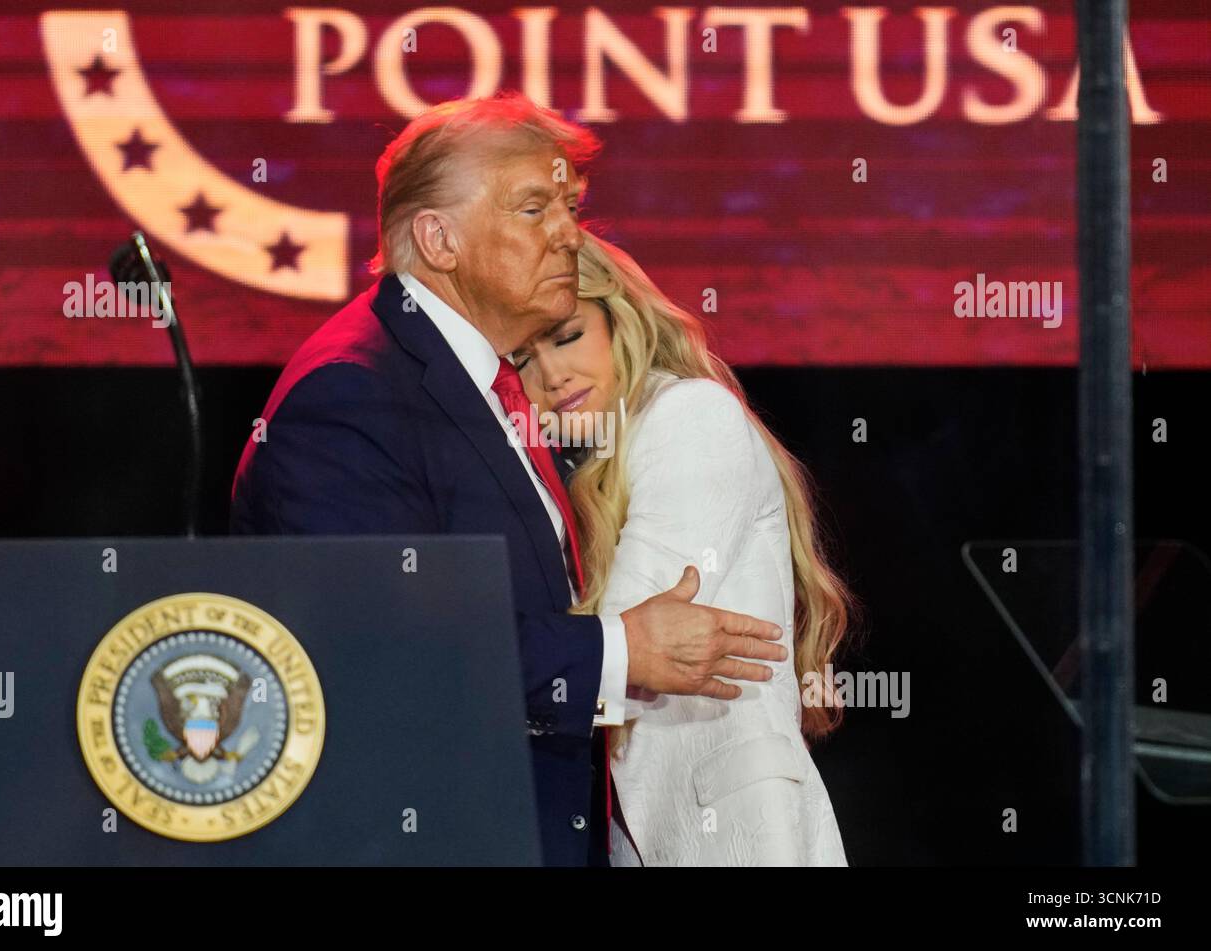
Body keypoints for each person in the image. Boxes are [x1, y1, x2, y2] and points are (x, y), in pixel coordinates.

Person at [229, 93, 788, 867]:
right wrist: (619, 653)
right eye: (535, 208)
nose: (569, 234)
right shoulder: (352, 393)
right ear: (439, 239)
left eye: (570, 206)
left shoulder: (483, 388)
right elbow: (384, 650)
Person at [509, 228, 857, 865]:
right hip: (648, 831)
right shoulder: (586, 468)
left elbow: (630, 633)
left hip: (733, 829)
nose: (554, 376)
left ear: (620, 322)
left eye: (567, 337)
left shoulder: (689, 415)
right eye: (523, 360)